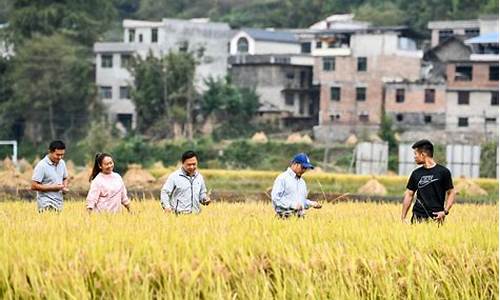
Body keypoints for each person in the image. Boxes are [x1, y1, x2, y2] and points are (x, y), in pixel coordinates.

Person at [401, 139, 456, 224]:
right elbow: (409, 194)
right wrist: (403, 217)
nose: (414, 157)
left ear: (423, 154)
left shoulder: (443, 172)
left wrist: (445, 212)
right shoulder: (416, 173)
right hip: (417, 217)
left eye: (416, 154)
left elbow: (451, 192)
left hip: (437, 218)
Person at [271, 153, 322, 218]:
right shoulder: (282, 178)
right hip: (284, 218)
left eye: (306, 168)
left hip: (300, 219)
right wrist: (292, 205)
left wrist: (311, 203)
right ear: (295, 164)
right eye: (303, 167)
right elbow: (275, 199)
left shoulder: (302, 182)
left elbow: (301, 202)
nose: (304, 170)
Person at [31, 140, 69, 212]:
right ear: (50, 152)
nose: (60, 157)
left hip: (59, 203)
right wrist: (53, 187)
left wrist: (64, 187)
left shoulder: (62, 163)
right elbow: (33, 186)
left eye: (62, 155)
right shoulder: (41, 166)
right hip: (46, 204)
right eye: (57, 155)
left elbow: (65, 177)